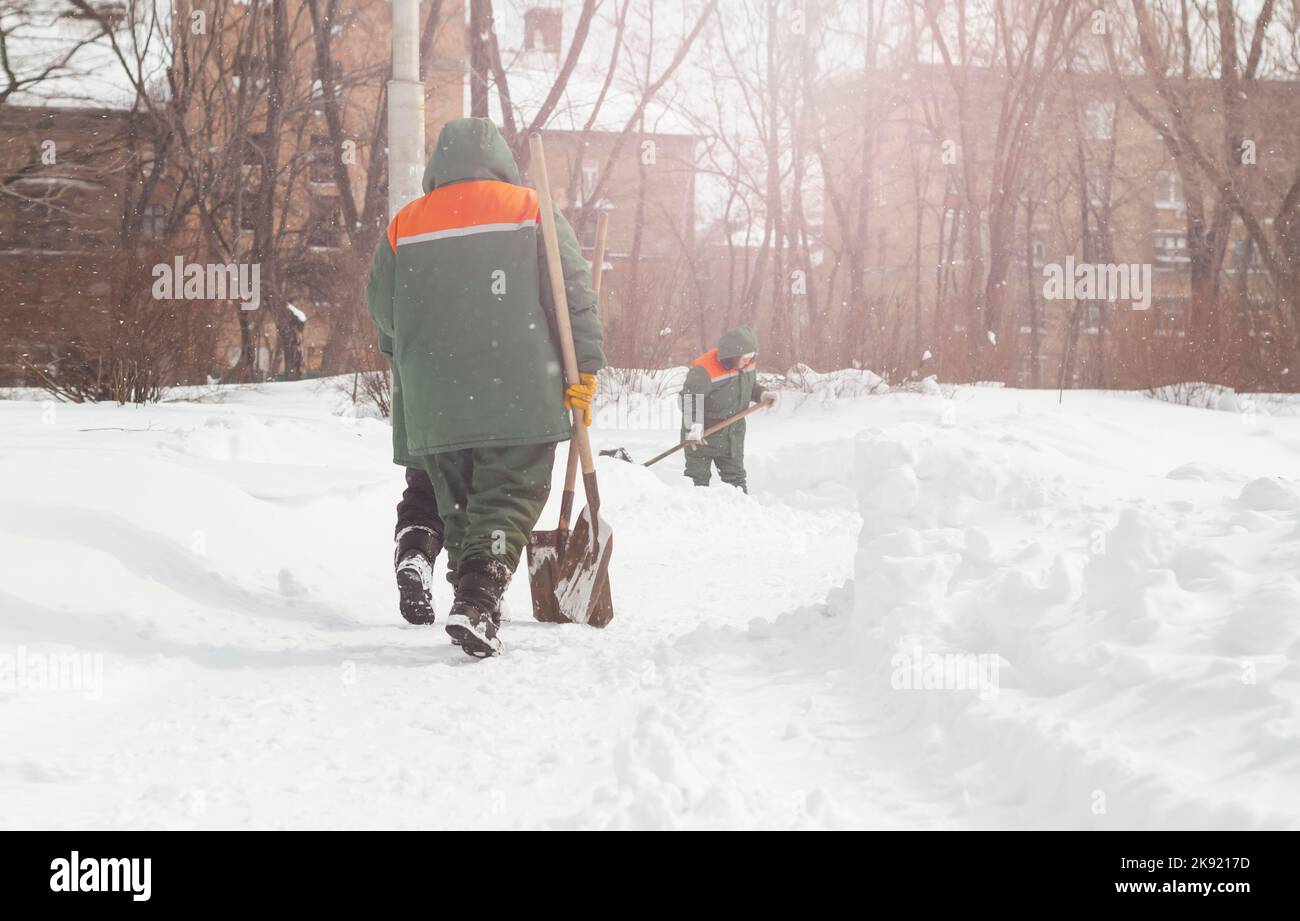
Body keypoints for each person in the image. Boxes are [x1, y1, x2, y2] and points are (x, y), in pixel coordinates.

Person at [366, 117, 605, 658]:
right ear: (499, 158)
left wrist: (419, 355)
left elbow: (382, 307)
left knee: (455, 502)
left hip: (436, 399)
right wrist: (583, 368)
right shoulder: (529, 208)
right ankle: (478, 597)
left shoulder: (406, 223)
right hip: (518, 388)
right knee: (509, 492)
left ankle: (465, 591)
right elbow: (571, 297)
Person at [679, 325, 776, 493]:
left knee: (736, 482)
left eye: (752, 357)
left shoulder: (747, 365)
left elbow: (749, 387)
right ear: (732, 354)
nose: (749, 361)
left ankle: (741, 516)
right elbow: (688, 400)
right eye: (745, 357)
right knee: (697, 483)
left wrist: (762, 394)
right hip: (702, 436)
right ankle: (694, 516)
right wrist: (693, 427)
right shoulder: (704, 370)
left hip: (733, 436)